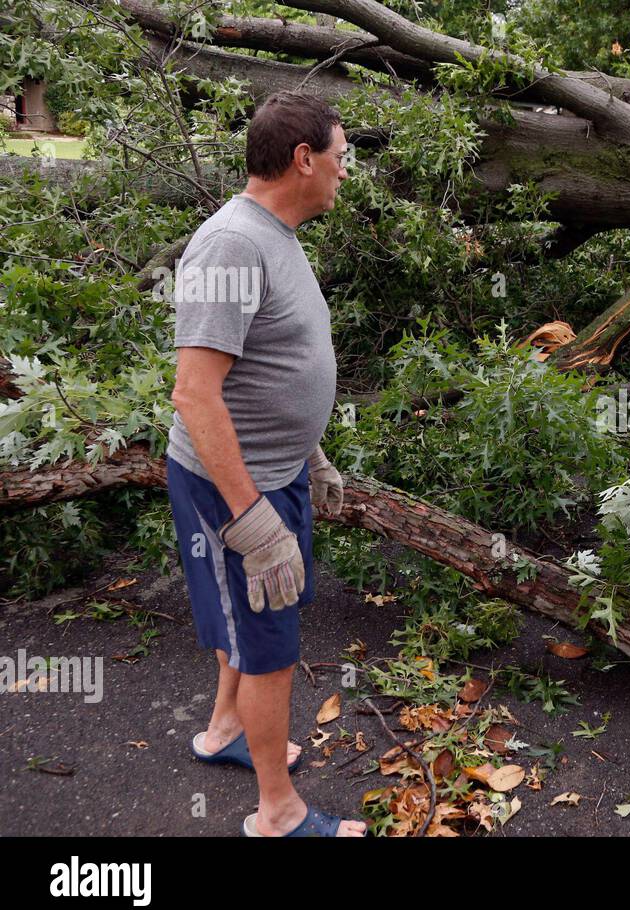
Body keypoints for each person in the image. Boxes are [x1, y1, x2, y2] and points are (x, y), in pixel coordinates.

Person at [166, 90, 365, 837]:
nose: (345, 173)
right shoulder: (232, 245)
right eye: (341, 158)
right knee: (271, 647)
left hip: (273, 475)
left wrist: (309, 453)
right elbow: (195, 394)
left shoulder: (273, 234)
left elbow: (267, 368)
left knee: (248, 630)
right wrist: (251, 521)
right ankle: (279, 814)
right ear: (303, 159)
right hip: (233, 491)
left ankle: (223, 732)